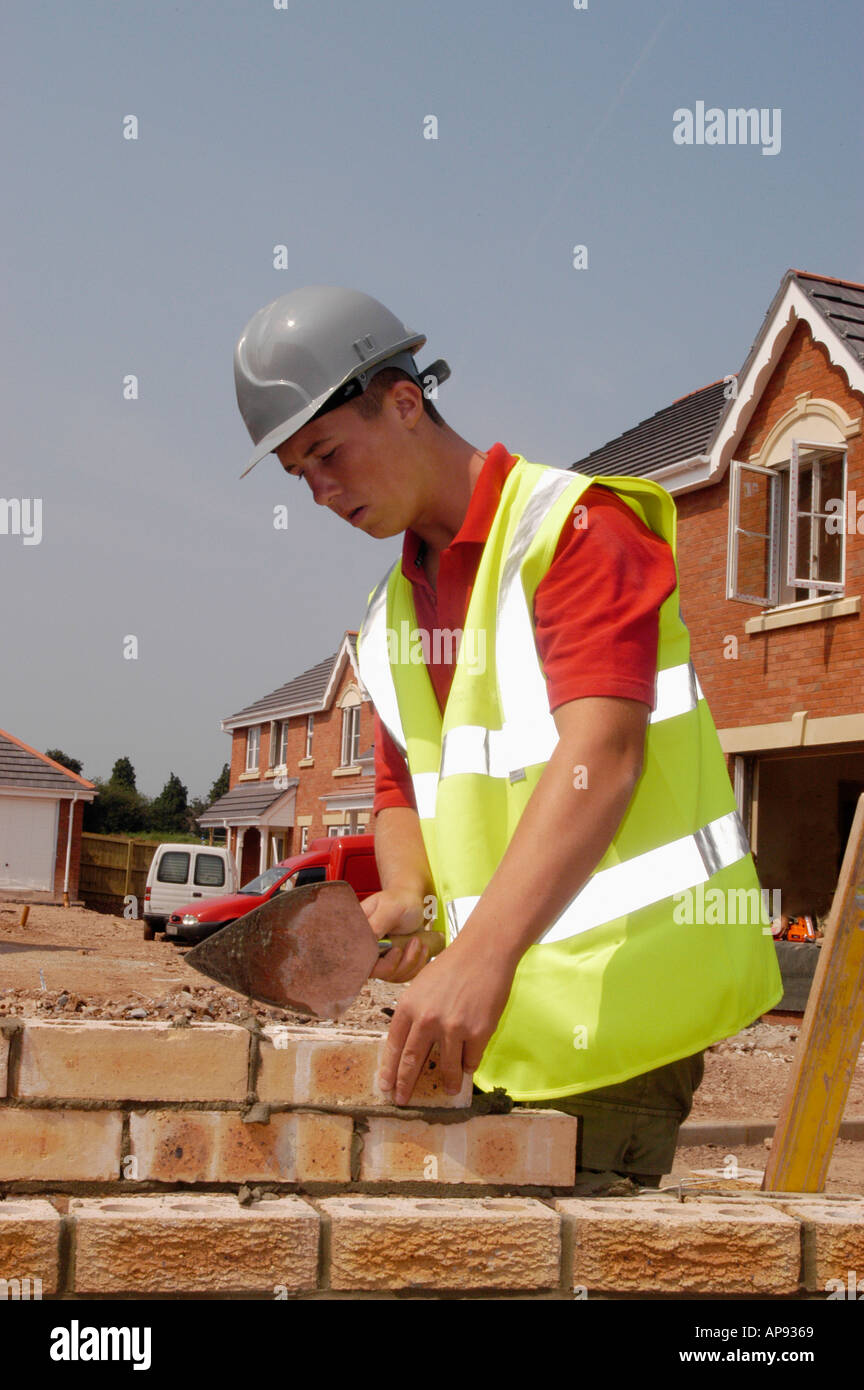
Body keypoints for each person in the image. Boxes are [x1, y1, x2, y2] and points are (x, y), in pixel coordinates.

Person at [234, 285, 782, 1187]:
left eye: (328, 454)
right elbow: (402, 789)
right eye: (301, 475)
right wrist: (408, 898)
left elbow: (601, 755)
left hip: (621, 1019)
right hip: (490, 1023)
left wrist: (480, 953)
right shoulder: (389, 617)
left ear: (405, 403)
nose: (322, 493)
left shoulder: (573, 531)